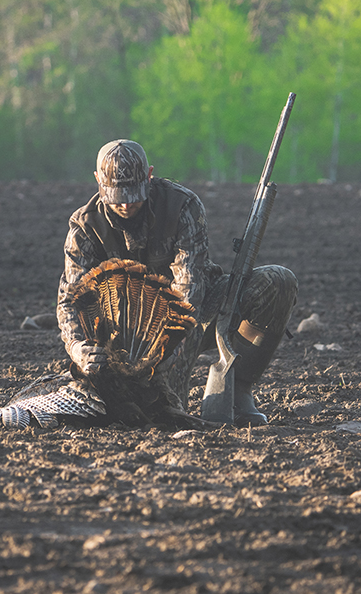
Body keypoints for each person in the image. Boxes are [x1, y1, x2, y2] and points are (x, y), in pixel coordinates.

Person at [56, 139, 298, 426]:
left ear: (150, 176)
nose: (125, 203)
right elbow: (70, 301)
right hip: (125, 337)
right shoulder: (84, 227)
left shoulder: (183, 205)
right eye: (116, 195)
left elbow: (189, 289)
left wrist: (165, 350)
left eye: (133, 193)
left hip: (190, 314)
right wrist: (78, 349)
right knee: (157, 416)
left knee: (278, 281)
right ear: (97, 181)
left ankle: (239, 390)